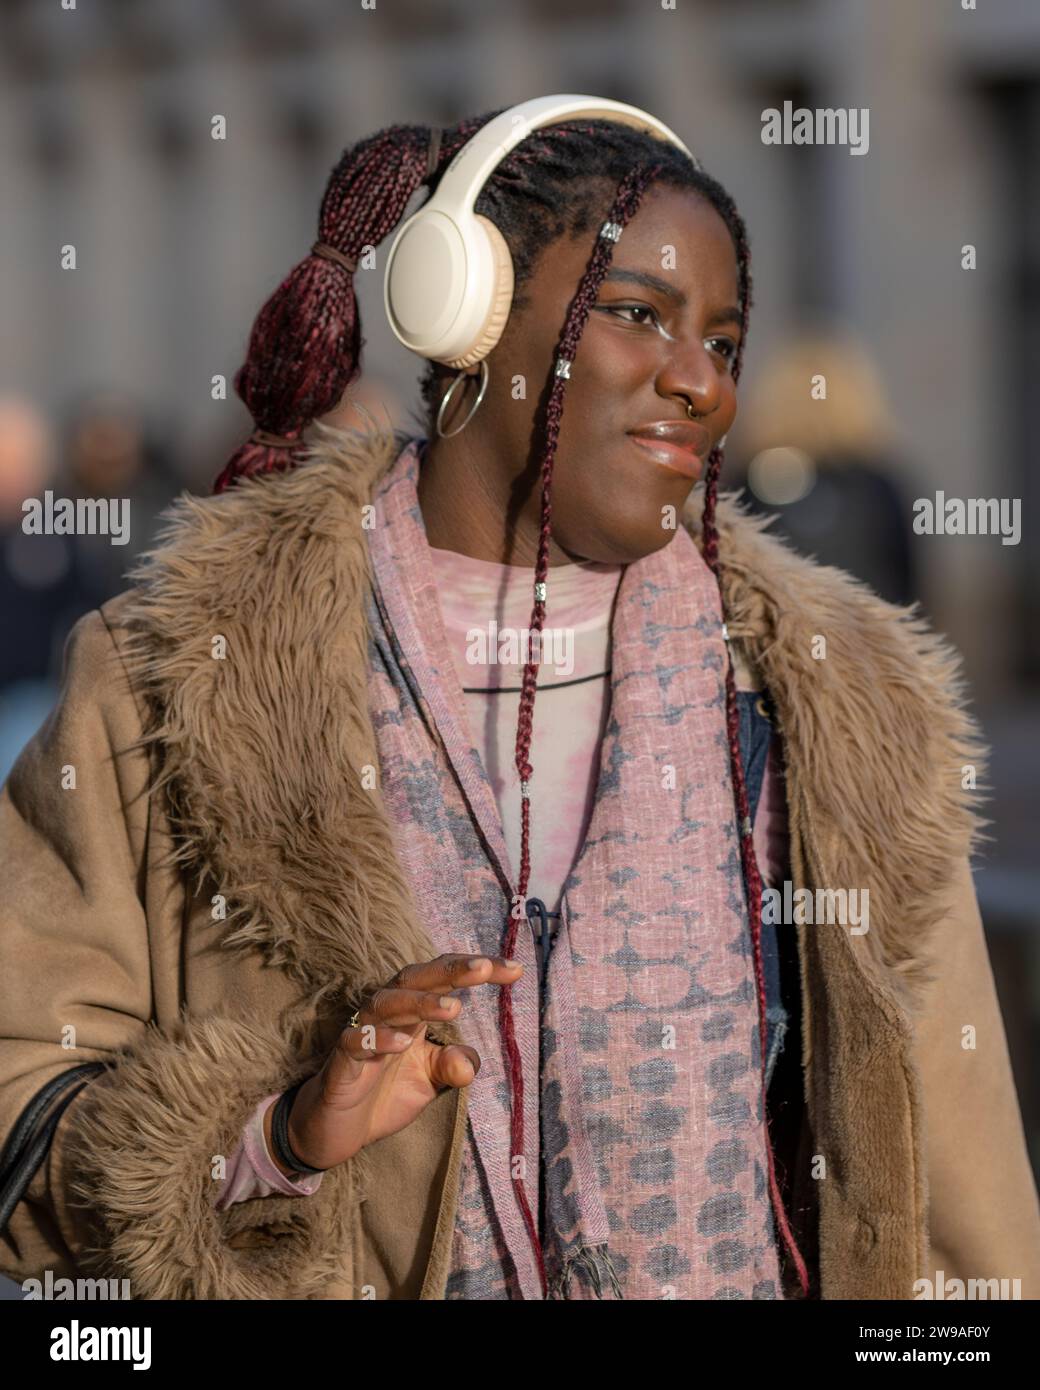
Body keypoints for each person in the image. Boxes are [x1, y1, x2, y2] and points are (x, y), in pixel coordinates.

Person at [1, 98, 1038, 1302]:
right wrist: (279, 1138)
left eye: (723, 342)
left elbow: (965, 1227)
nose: (698, 381)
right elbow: (24, 1120)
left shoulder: (835, 702)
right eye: (637, 315)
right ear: (469, 319)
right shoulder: (169, 674)